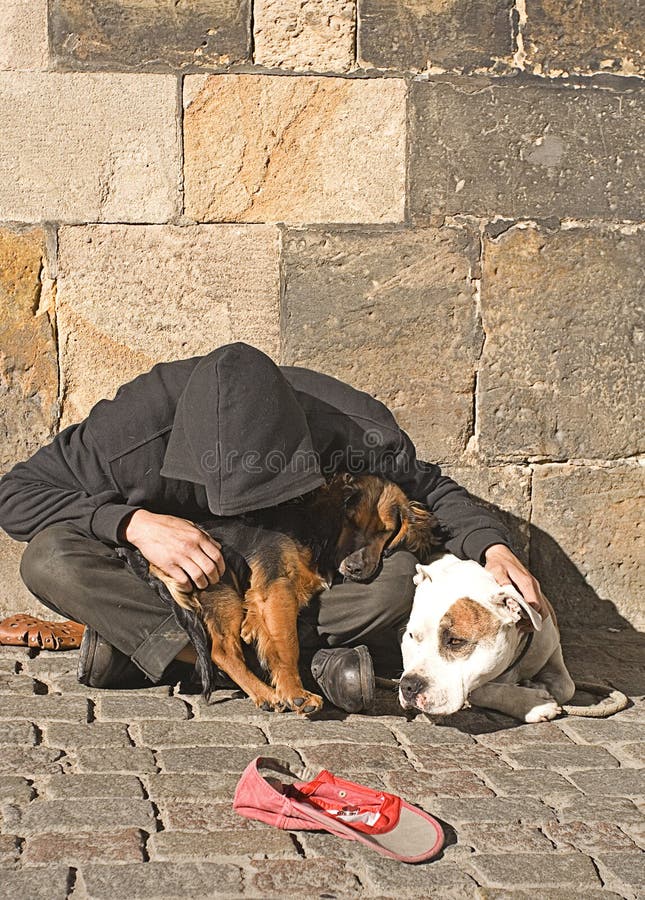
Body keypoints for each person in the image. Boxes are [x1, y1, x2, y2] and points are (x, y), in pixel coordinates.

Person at [0, 343, 544, 712]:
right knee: (48, 558)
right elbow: (15, 495)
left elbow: (430, 492)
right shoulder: (129, 430)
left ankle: (149, 651)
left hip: (297, 582)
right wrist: (133, 523)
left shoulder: (351, 424)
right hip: (174, 579)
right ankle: (313, 666)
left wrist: (495, 547)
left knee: (395, 586)